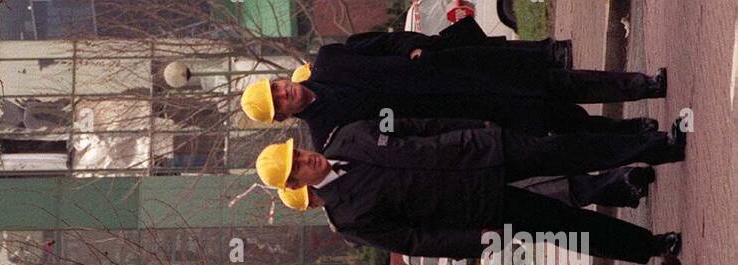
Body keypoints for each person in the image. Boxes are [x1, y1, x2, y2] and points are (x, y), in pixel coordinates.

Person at [255, 118, 687, 264]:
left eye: (300, 153)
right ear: (296, 185)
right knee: (566, 226)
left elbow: (420, 126)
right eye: (298, 168)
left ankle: (659, 147)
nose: (307, 160)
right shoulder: (348, 218)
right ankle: (652, 246)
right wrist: (476, 243)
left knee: (567, 150)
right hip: (474, 207)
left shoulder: (349, 135)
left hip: (480, 152)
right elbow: (414, 241)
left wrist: (474, 129)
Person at [239, 17, 663, 145]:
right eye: (279, 102)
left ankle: (642, 85)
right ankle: (635, 133)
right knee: (557, 119)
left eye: (277, 87)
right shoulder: (328, 133)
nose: (285, 92)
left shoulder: (330, 59)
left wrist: (414, 49)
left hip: (455, 71)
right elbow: (399, 141)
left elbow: (389, 43)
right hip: (461, 116)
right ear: (283, 118)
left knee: (558, 82)